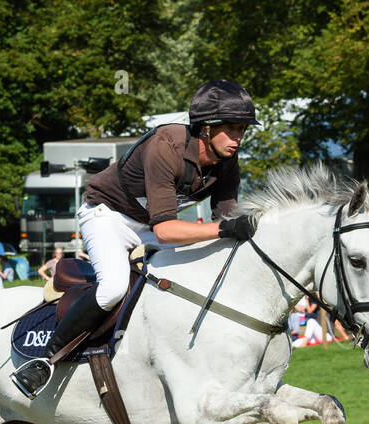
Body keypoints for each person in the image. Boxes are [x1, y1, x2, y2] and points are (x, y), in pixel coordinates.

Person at [13, 80, 258, 398]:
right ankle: (46, 360)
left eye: (242, 130)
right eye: (232, 128)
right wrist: (224, 230)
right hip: (107, 216)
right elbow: (168, 231)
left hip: (148, 222)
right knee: (114, 287)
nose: (238, 138)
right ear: (207, 128)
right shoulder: (166, 145)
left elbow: (224, 222)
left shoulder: (227, 163)